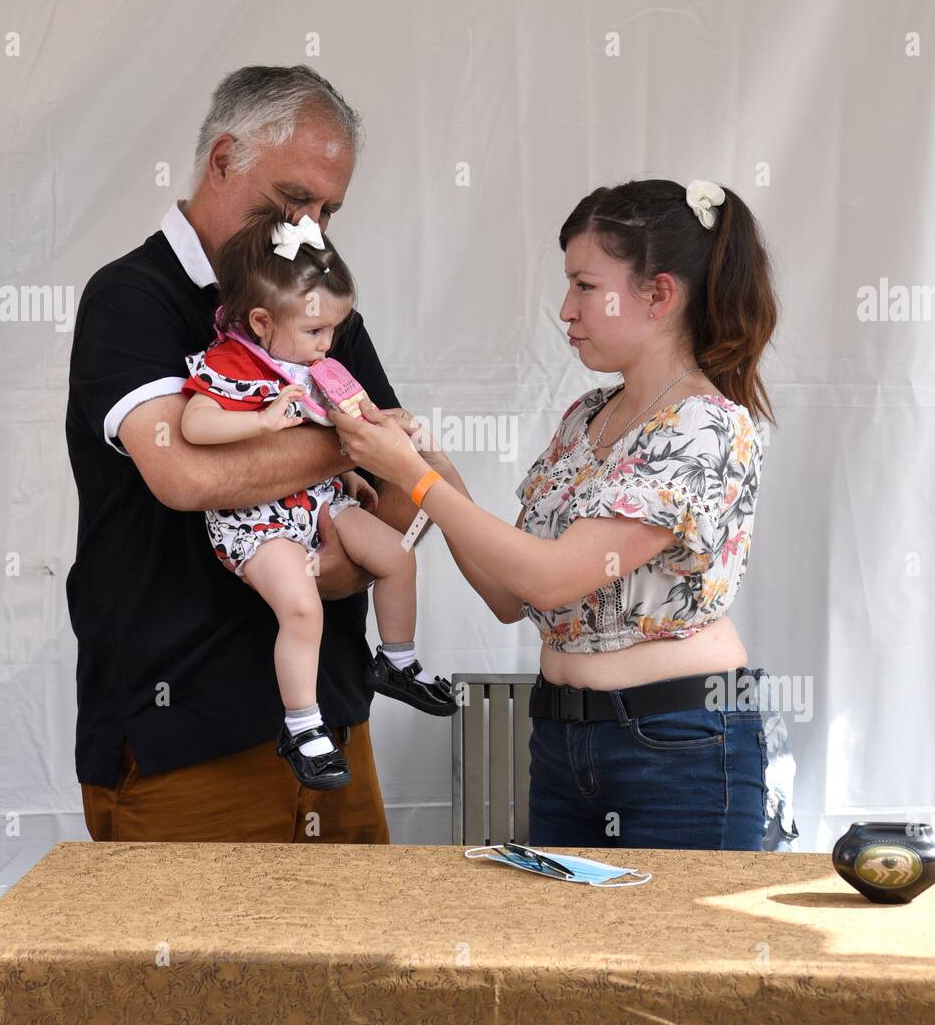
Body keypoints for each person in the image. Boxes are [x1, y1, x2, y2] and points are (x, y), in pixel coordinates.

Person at [330, 177, 792, 851]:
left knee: (674, 954)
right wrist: (432, 462)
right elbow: (511, 595)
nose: (564, 309)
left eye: (584, 285)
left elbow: (551, 579)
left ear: (659, 294)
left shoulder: (703, 426)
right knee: (572, 955)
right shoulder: (587, 418)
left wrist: (415, 478)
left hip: (680, 744)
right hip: (561, 739)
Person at [66, 65, 422, 843]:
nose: (314, 228)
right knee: (191, 968)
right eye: (297, 199)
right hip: (184, 741)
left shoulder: (319, 302)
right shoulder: (132, 298)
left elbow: (406, 490)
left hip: (334, 722)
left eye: (330, 209)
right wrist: (345, 444)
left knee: (360, 964)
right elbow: (188, 476)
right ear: (224, 158)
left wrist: (355, 560)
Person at [179, 198, 455, 791]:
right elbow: (195, 426)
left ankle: (397, 660)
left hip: (319, 499)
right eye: (315, 330)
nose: (328, 343)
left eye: (334, 328)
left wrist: (353, 469)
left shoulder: (315, 366)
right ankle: (302, 726)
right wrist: (260, 422)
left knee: (396, 553)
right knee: (301, 606)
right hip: (256, 522)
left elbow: (345, 433)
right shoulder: (235, 363)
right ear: (259, 323)